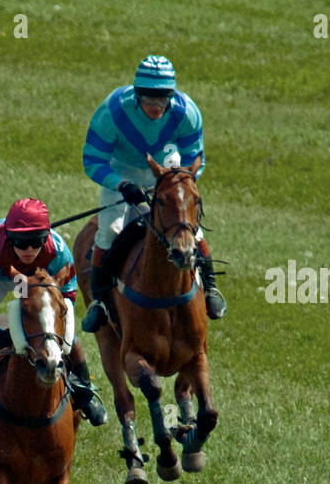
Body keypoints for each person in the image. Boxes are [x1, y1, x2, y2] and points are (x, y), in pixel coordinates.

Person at [80, 54, 226, 333]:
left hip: (168, 170)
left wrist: (174, 182)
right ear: (136, 95)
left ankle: (210, 288)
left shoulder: (187, 112)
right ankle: (98, 301)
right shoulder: (112, 111)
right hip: (121, 173)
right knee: (109, 229)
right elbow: (92, 160)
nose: (156, 106)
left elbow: (196, 158)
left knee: (189, 230)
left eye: (162, 99)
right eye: (148, 99)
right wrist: (121, 185)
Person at [0, 198, 108, 432]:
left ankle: (85, 391)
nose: (28, 250)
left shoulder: (58, 251)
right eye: (21, 243)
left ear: (46, 238)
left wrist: (59, 322)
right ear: (9, 237)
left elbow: (68, 291)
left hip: (40, 278)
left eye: (36, 243)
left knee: (65, 332)